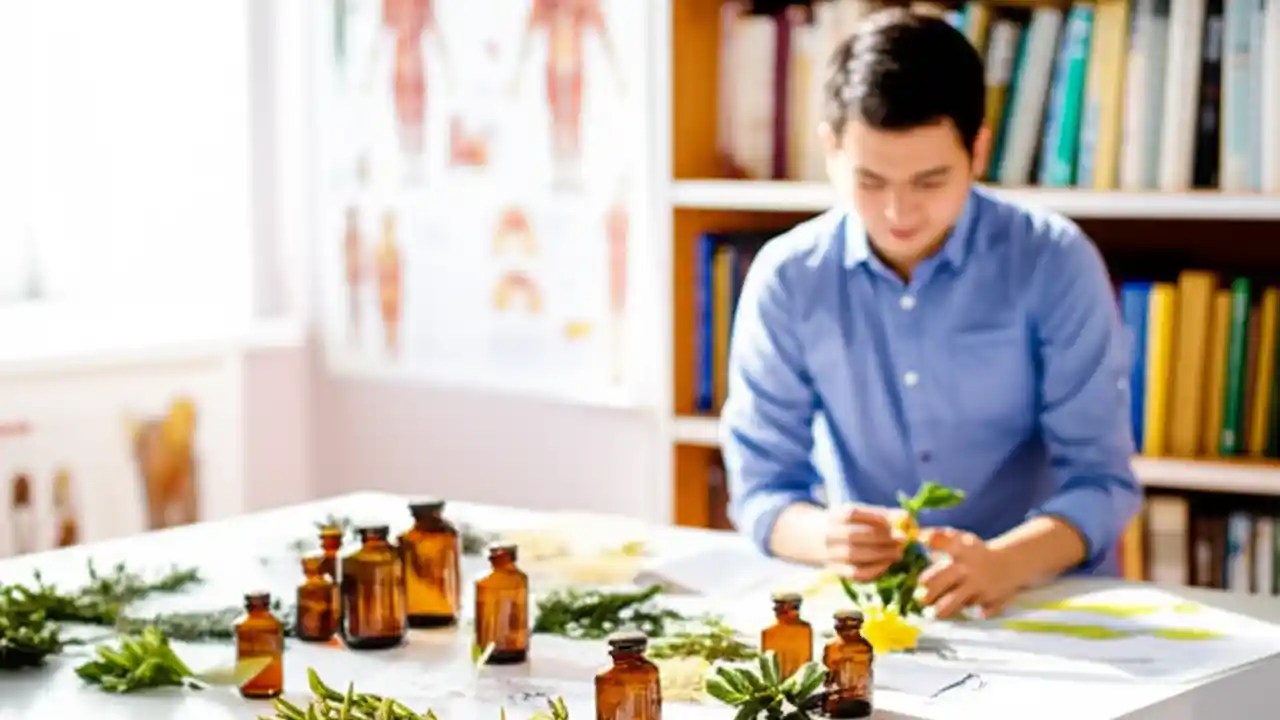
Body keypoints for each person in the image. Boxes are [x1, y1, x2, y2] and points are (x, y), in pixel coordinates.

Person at [719, 7, 1141, 620]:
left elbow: (1103, 483)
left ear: (979, 150)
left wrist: (1004, 563)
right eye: (870, 180)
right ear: (830, 148)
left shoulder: (1053, 260)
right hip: (873, 610)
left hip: (1040, 599)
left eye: (930, 181)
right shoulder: (788, 277)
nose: (899, 212)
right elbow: (761, 490)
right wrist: (827, 538)